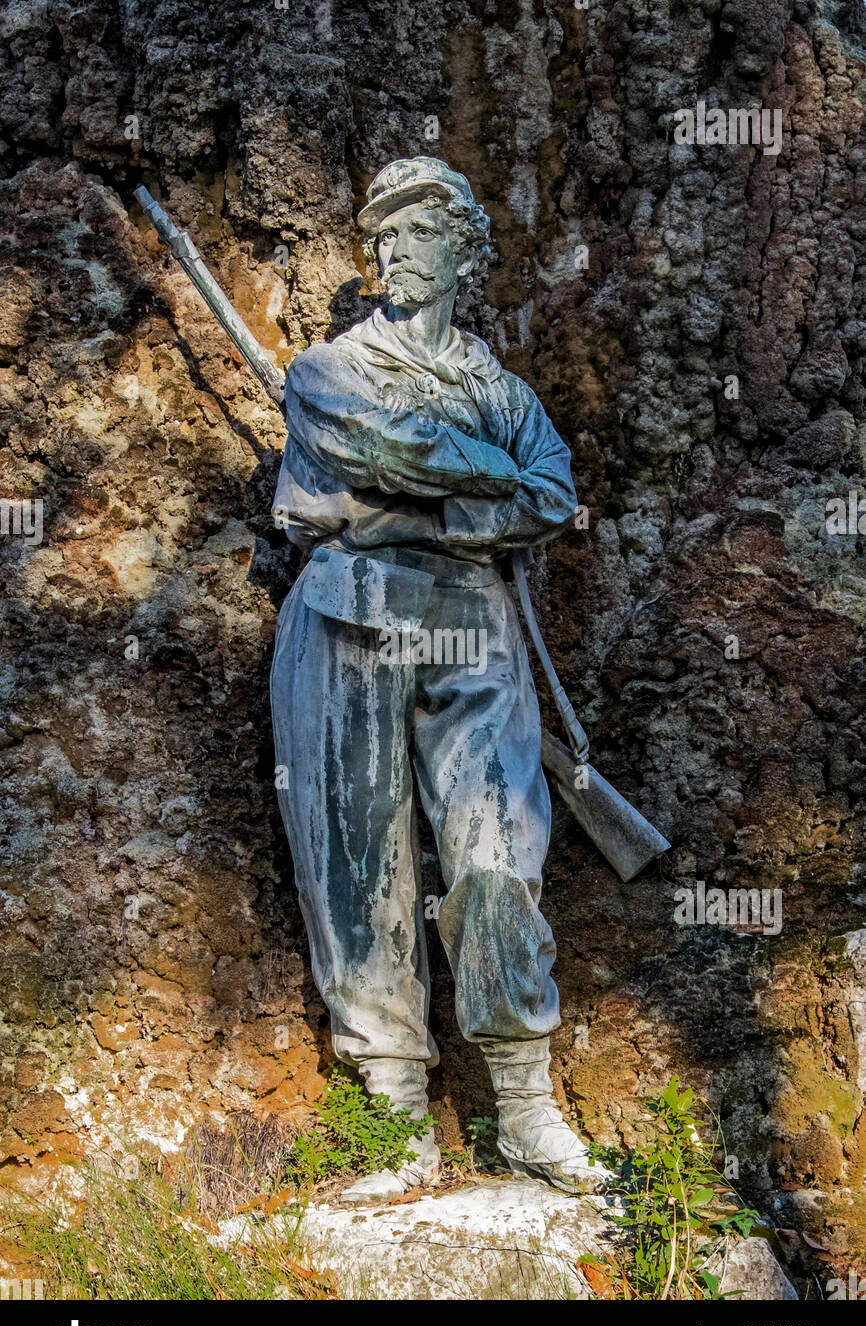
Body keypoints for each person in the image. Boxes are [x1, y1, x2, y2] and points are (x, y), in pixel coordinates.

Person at [270, 156, 613, 1202]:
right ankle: (391, 1119)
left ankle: (521, 1106)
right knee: (355, 861)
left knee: (497, 850)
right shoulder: (328, 367)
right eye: (377, 237)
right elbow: (383, 445)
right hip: (348, 609)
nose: (388, 253)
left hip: (472, 617)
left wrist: (425, 502)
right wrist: (477, 484)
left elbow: (548, 494)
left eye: (413, 232)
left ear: (463, 250)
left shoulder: (503, 390)